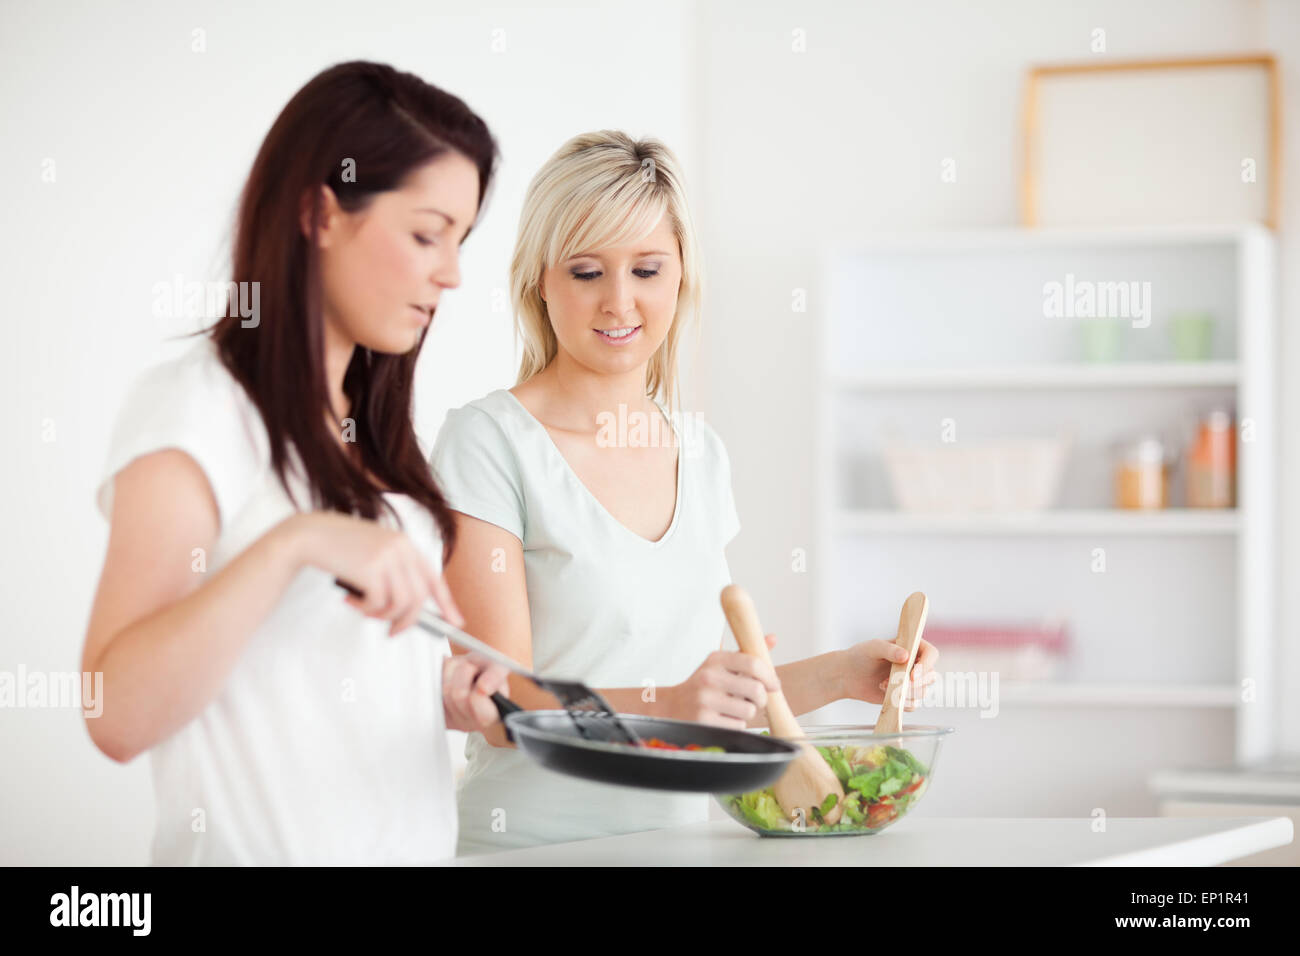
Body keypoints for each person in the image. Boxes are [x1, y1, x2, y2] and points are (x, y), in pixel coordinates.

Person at [431, 131, 940, 854]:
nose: (619, 301)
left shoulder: (699, 452)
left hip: (677, 847)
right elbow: (499, 707)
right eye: (585, 271)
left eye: (646, 269)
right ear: (539, 281)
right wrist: (669, 705)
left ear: (680, 279)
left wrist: (841, 675)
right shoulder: (488, 443)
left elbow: (713, 701)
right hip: (529, 848)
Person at [81, 61, 509, 865]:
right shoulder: (198, 408)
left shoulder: (370, 426)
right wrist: (296, 544)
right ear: (320, 211)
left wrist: (436, 693)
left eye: (461, 242)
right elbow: (114, 713)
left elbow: (314, 675)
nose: (451, 274)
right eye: (427, 234)